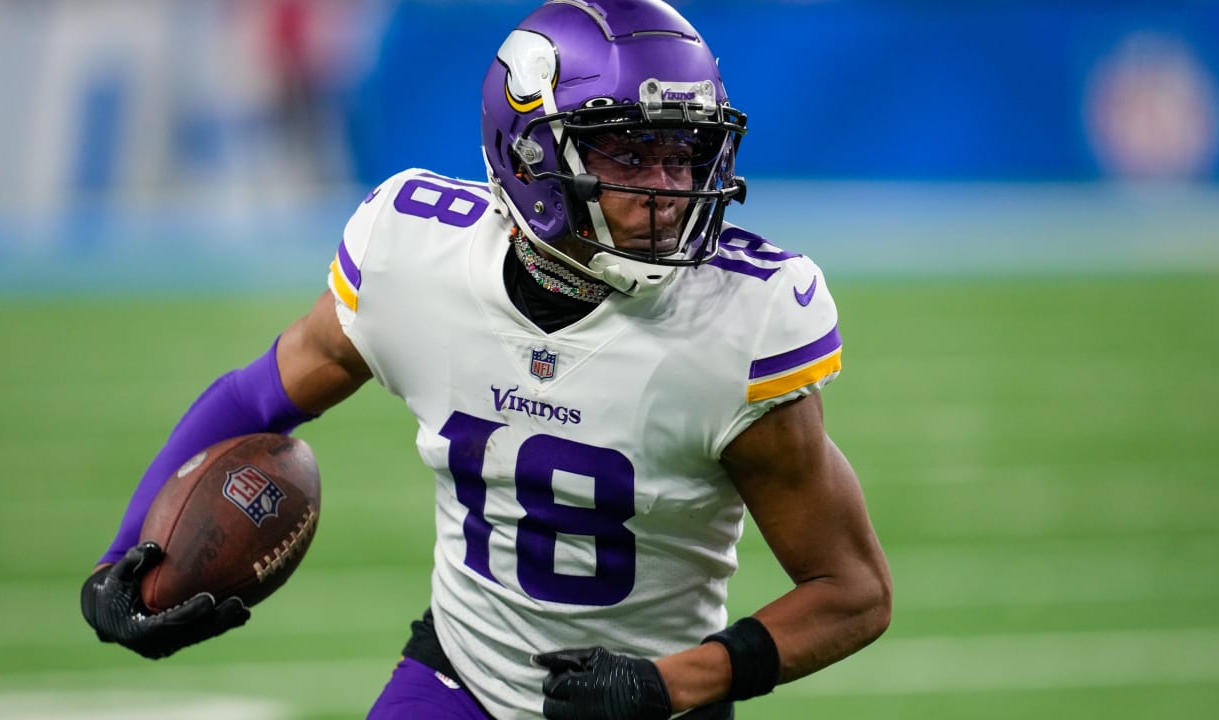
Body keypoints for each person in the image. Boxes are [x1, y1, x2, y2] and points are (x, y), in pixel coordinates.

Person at [80, 1, 892, 718]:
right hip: (459, 678)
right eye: (630, 155)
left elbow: (851, 592)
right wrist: (125, 561)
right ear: (532, 155)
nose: (668, 190)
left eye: (684, 155)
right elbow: (258, 400)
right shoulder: (413, 256)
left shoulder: (741, 323)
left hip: (650, 706)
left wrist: (671, 683)